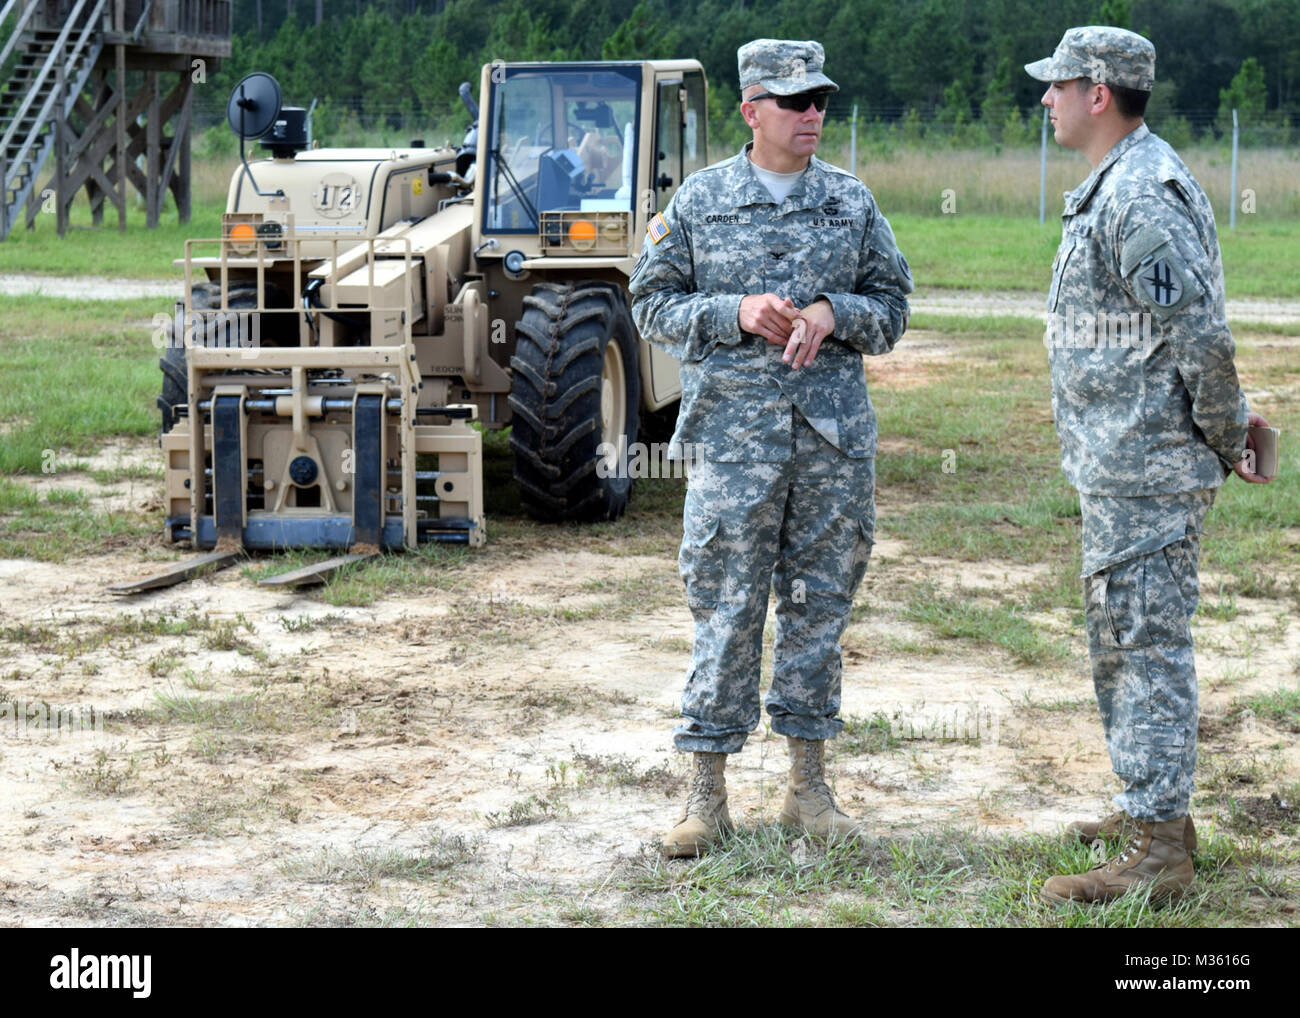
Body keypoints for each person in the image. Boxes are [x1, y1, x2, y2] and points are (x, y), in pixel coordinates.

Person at [629, 38, 912, 857]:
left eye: (819, 98)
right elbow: (651, 305)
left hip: (830, 443)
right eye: (794, 101)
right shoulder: (699, 202)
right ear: (752, 110)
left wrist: (833, 312)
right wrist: (733, 313)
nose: (812, 113)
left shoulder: (852, 204)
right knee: (725, 610)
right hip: (733, 443)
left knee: (819, 610)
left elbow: (892, 305)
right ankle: (705, 798)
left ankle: (808, 791)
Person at [1026, 26, 1273, 904]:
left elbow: (1200, 336)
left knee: (1144, 648)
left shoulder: (1139, 194)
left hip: (1149, 470)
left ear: (1099, 93)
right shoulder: (1120, 182)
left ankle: (1159, 847)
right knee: (1124, 642)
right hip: (1124, 465)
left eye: (1058, 85)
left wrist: (1223, 436)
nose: (1045, 98)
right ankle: (1153, 810)